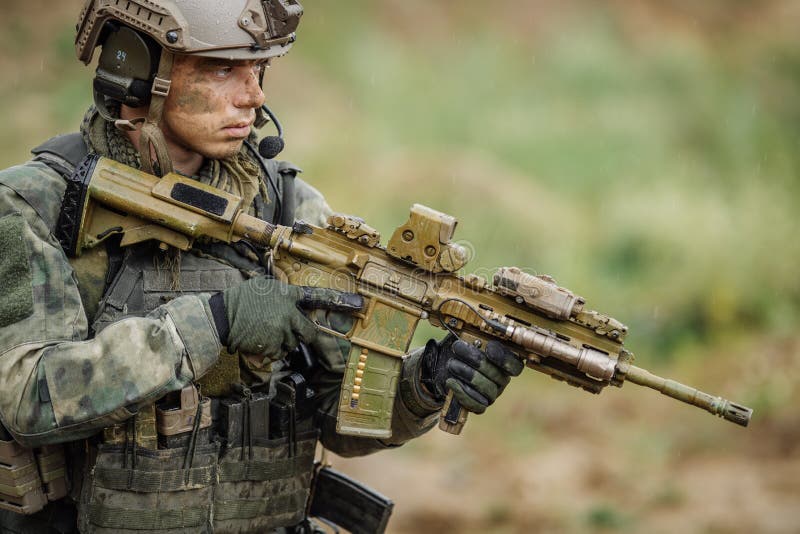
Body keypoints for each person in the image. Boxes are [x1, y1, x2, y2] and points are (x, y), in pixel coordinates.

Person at [0, 1, 523, 532]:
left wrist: (424, 383)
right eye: (223, 68)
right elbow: (27, 398)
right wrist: (214, 324)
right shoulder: (41, 206)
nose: (254, 96)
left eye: (259, 69)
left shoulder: (287, 207)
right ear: (137, 70)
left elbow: (339, 415)